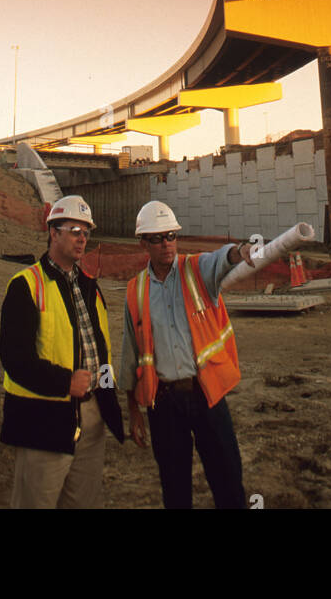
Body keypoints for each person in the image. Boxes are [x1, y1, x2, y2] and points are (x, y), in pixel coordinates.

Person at [118, 199, 253, 509]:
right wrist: (134, 411)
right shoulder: (136, 291)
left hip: (206, 394)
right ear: (144, 243)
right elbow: (131, 354)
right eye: (158, 238)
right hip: (164, 403)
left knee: (229, 480)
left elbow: (222, 259)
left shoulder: (197, 271)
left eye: (171, 236)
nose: (167, 244)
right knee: (175, 488)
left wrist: (240, 252)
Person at [0, 194, 123, 508]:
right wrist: (63, 381)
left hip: (91, 418)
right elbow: (14, 357)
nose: (82, 239)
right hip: (43, 421)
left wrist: (111, 402)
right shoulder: (26, 285)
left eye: (86, 233)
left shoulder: (90, 286)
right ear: (54, 232)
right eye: (74, 231)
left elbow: (101, 352)